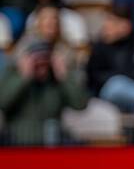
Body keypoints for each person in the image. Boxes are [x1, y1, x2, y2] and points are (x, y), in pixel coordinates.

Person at [0, 10, 88, 145]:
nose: (41, 63)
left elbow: (80, 104)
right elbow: (3, 103)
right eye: (36, 60)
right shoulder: (14, 73)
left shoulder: (57, 78)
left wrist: (63, 76)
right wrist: (23, 77)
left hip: (52, 142)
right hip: (18, 141)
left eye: (45, 59)